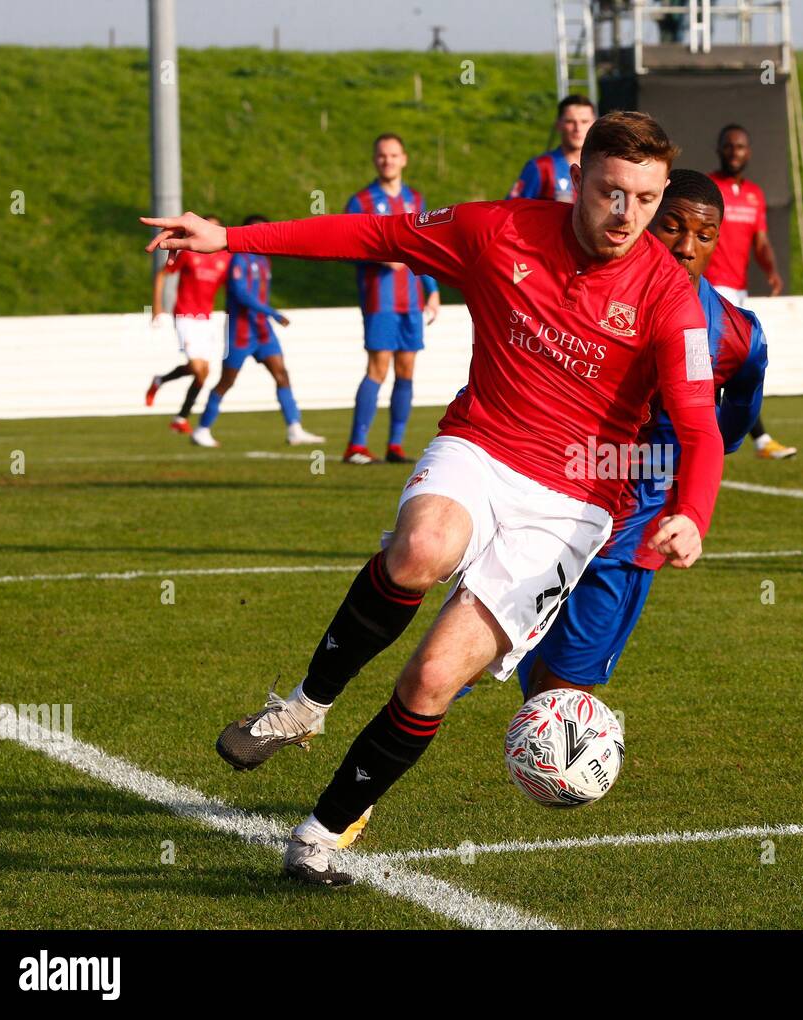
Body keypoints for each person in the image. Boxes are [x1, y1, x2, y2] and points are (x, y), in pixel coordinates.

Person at [143, 111, 725, 886]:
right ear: (578, 178)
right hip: (482, 444)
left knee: (428, 681)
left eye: (646, 200)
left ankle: (321, 833)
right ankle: (304, 707)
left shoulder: (668, 296)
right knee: (420, 549)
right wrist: (231, 238)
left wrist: (693, 512)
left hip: (573, 504)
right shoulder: (499, 229)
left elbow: (699, 426)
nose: (628, 218)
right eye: (613, 193)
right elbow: (376, 237)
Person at [515, 168, 766, 703]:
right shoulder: (590, 294)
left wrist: (692, 476)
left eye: (704, 235)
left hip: (633, 530)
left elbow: (734, 422)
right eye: (672, 227)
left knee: (560, 684)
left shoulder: (736, 334)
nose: (686, 247)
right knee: (462, 660)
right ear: (648, 221)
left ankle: (551, 762)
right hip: (550, 498)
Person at [342, 133, 441, 465]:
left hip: (411, 301)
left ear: (404, 159)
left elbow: (423, 247)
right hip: (379, 300)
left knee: (407, 369)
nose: (388, 161)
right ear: (375, 160)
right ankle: (356, 445)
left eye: (394, 155)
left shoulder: (415, 199)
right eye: (382, 156)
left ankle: (395, 445)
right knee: (378, 368)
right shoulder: (361, 202)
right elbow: (343, 243)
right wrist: (377, 255)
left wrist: (433, 291)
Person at [189, 215, 325, 449]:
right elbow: (241, 293)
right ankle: (202, 429)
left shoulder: (264, 260)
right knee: (227, 381)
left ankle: (294, 428)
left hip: (262, 331)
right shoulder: (238, 258)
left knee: (281, 374)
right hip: (240, 331)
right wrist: (271, 312)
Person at [704, 124, 795, 460]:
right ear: (719, 149)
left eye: (740, 146)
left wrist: (770, 270)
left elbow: (760, 241)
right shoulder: (710, 187)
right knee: (725, 365)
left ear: (748, 152)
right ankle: (757, 439)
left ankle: (735, 438)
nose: (734, 151)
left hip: (738, 291)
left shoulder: (755, 195)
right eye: (728, 146)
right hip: (711, 287)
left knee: (736, 365)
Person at [144, 216, 230, 433]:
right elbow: (162, 275)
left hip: (206, 319)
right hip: (185, 315)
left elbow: (230, 287)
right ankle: (180, 414)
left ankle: (177, 412)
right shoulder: (190, 253)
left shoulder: (225, 259)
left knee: (204, 372)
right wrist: (157, 306)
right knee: (197, 369)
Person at [507, 95, 596, 203]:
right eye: (570, 122)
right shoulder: (541, 168)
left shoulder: (604, 167)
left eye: (584, 121)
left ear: (594, 124)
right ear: (558, 124)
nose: (578, 128)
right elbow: (511, 210)